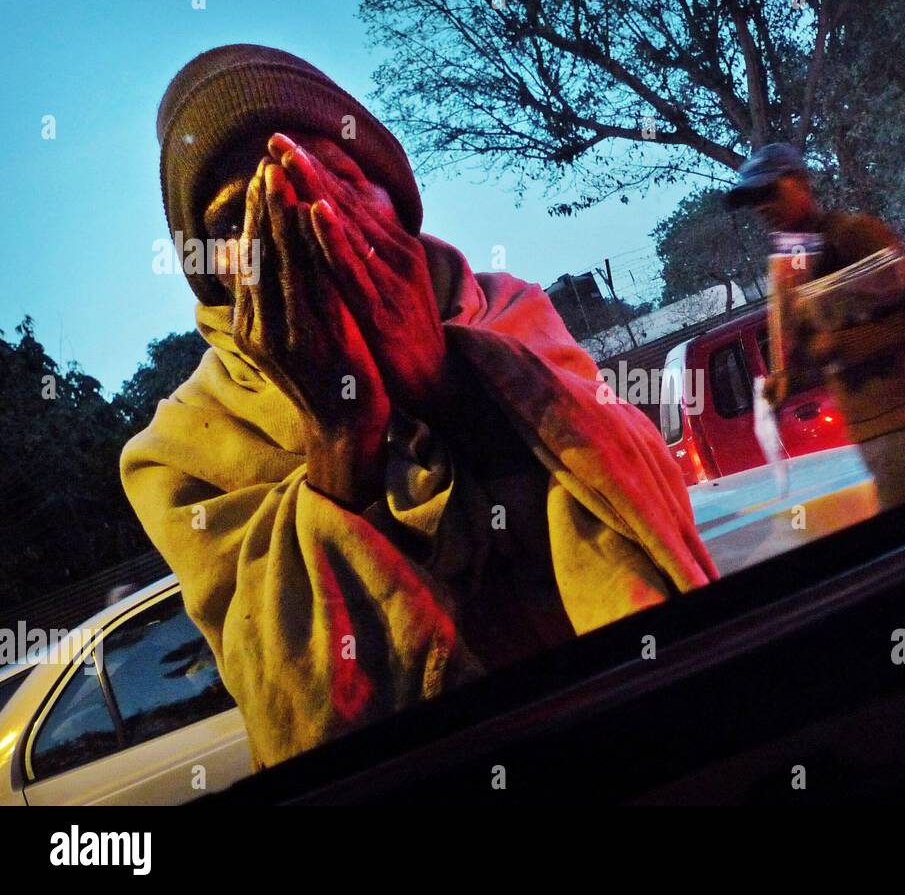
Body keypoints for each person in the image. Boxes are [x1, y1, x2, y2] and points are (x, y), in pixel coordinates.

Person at [122, 45, 716, 769]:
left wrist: (443, 379)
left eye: (333, 180)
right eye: (237, 225)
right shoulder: (179, 452)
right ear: (211, 277)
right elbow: (299, 709)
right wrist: (343, 437)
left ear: (392, 198)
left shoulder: (505, 310)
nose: (293, 227)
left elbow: (651, 518)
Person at [725, 143, 905, 511]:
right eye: (752, 200)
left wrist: (846, 344)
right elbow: (821, 351)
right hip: (870, 430)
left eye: (769, 191)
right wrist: (788, 379)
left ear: (801, 182)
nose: (762, 207)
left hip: (904, 424)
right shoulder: (793, 259)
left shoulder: (853, 234)